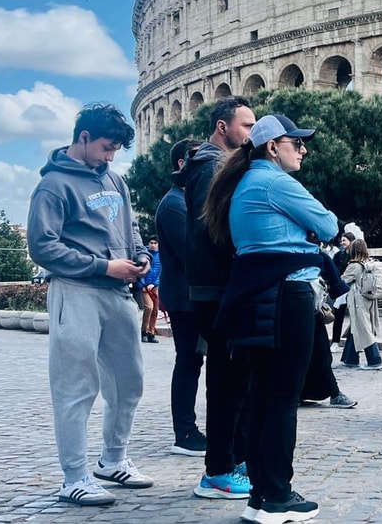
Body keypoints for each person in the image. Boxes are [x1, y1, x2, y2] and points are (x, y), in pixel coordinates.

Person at [203, 113, 340, 523]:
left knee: (263, 397)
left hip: (256, 299)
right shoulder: (276, 182)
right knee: (282, 401)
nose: (302, 149)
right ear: (271, 146)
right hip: (288, 296)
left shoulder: (244, 184)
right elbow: (329, 225)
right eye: (294, 142)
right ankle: (278, 496)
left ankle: (261, 493)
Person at [27, 103, 154, 506]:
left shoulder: (116, 180)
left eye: (116, 148)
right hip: (76, 290)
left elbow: (130, 227)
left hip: (118, 292)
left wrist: (139, 257)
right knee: (76, 386)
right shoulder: (53, 186)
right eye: (105, 146)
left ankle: (112, 460)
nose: (111, 155)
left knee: (128, 381)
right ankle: (74, 476)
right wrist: (103, 266)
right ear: (82, 138)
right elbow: (42, 246)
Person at [175, 96, 256, 500]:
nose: (251, 133)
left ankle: (234, 460)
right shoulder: (211, 166)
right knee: (226, 380)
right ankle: (219, 470)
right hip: (218, 289)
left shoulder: (215, 163)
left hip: (219, 287)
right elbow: (216, 228)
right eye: (246, 125)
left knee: (235, 378)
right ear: (222, 127)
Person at [156, 138, 207, 457]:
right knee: (188, 361)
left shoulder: (182, 201)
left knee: (192, 361)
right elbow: (192, 253)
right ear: (182, 164)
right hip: (185, 297)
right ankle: (184, 431)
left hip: (189, 295)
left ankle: (188, 428)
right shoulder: (174, 205)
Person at [339, 239, 382, 370]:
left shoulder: (354, 266)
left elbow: (342, 280)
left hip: (358, 301)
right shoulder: (368, 263)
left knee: (363, 328)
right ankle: (350, 358)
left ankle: (374, 359)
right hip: (368, 299)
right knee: (356, 327)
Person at [330, 232, 354, 352]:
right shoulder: (339, 255)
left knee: (355, 317)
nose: (342, 243)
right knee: (338, 315)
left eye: (344, 240)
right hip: (341, 288)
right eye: (342, 241)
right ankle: (335, 341)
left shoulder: (355, 255)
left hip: (352, 287)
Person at [137, 236, 162, 343]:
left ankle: (151, 333)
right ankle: (144, 331)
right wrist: (142, 284)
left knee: (155, 310)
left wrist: (154, 284)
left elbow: (161, 272)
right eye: (151, 242)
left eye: (155, 243)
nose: (153, 244)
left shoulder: (161, 255)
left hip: (155, 286)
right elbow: (140, 270)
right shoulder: (145, 255)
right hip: (144, 286)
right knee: (149, 307)